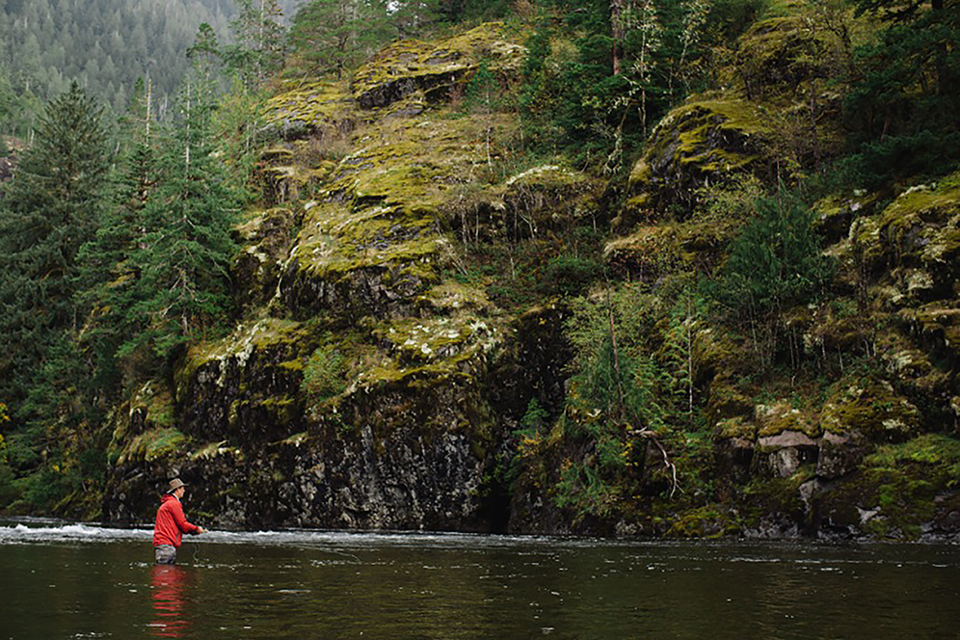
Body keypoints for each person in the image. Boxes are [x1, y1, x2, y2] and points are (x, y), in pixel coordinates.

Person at [153, 478, 205, 564]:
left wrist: (193, 531)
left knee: (165, 572)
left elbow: (180, 526)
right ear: (177, 489)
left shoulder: (168, 503)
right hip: (166, 546)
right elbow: (182, 524)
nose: (184, 491)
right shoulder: (174, 504)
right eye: (182, 488)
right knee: (166, 573)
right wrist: (196, 529)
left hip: (163, 544)